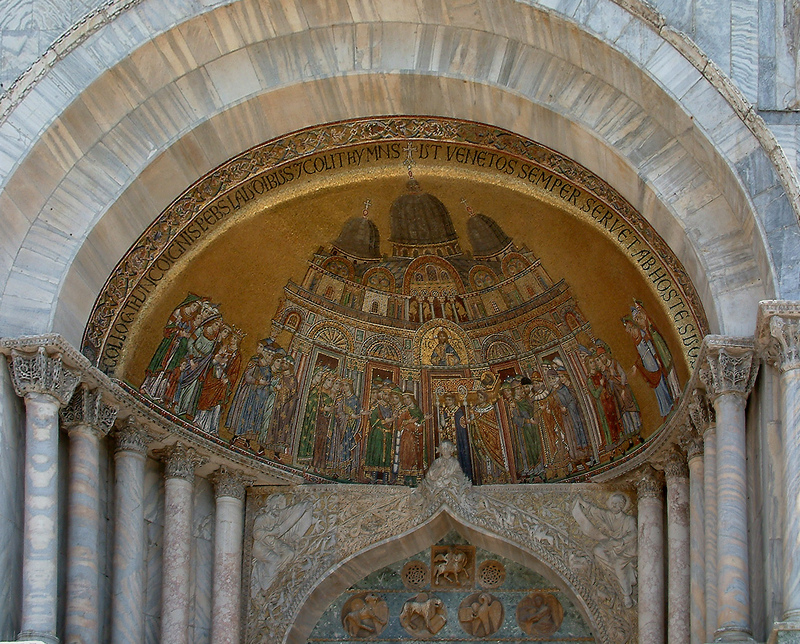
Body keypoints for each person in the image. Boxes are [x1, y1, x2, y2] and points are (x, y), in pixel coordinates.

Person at [573, 492, 637, 608]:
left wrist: (621, 541)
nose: (614, 506)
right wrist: (582, 503)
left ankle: (626, 594)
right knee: (597, 550)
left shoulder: (629, 519)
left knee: (619, 565)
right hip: (612, 545)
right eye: (613, 503)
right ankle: (612, 573)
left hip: (626, 549)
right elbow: (596, 511)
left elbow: (634, 534)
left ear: (623, 505)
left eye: (618, 504)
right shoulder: (609, 516)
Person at [226, 338, 277, 447]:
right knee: (244, 413)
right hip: (249, 393)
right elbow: (247, 376)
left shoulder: (268, 368)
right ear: (264, 354)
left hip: (259, 397)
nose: (270, 358)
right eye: (269, 355)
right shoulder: (255, 361)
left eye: (272, 357)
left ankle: (248, 441)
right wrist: (258, 382)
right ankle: (236, 436)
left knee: (254, 417)